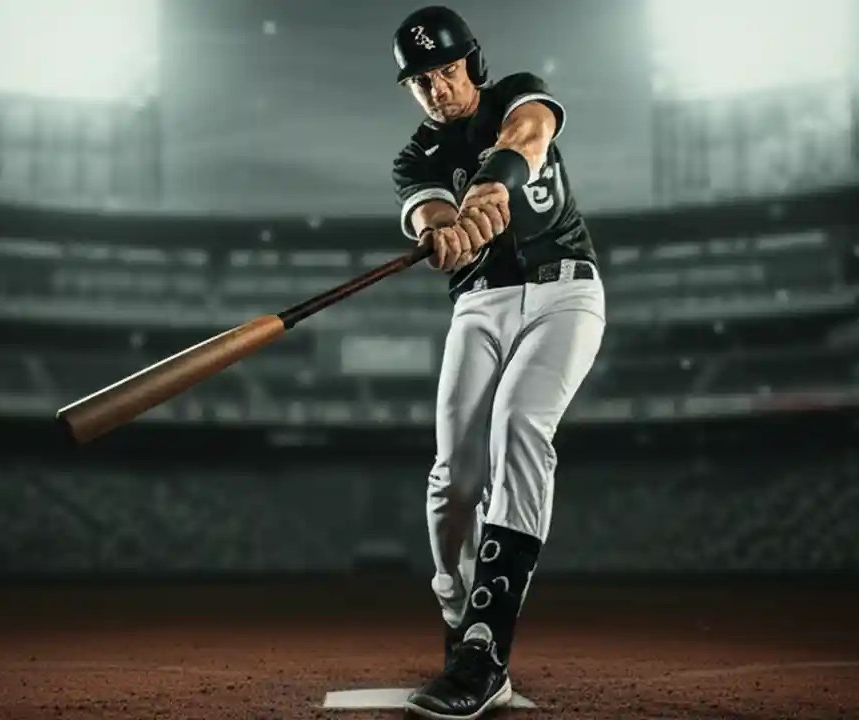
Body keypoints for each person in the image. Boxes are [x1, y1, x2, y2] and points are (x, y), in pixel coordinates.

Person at [390, 6, 607, 718]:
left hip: (564, 293)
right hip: (479, 304)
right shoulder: (415, 157)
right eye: (421, 79)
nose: (438, 88)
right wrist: (444, 232)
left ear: (472, 64)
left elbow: (531, 134)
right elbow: (426, 214)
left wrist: (491, 184)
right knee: (454, 477)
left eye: (447, 70)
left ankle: (485, 646)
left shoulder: (518, 92)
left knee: (520, 425)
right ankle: (455, 605)